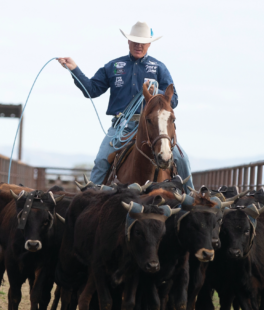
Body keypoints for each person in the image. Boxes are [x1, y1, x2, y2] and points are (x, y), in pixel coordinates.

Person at [58, 22, 192, 187]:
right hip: (121, 127)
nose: (138, 45)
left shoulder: (159, 68)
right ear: (128, 41)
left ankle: (191, 197)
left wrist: (157, 92)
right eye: (135, 41)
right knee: (101, 161)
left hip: (152, 128)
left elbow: (174, 99)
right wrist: (74, 70)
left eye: (143, 42)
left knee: (182, 159)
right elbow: (91, 90)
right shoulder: (113, 66)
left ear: (149, 44)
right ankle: (91, 196)